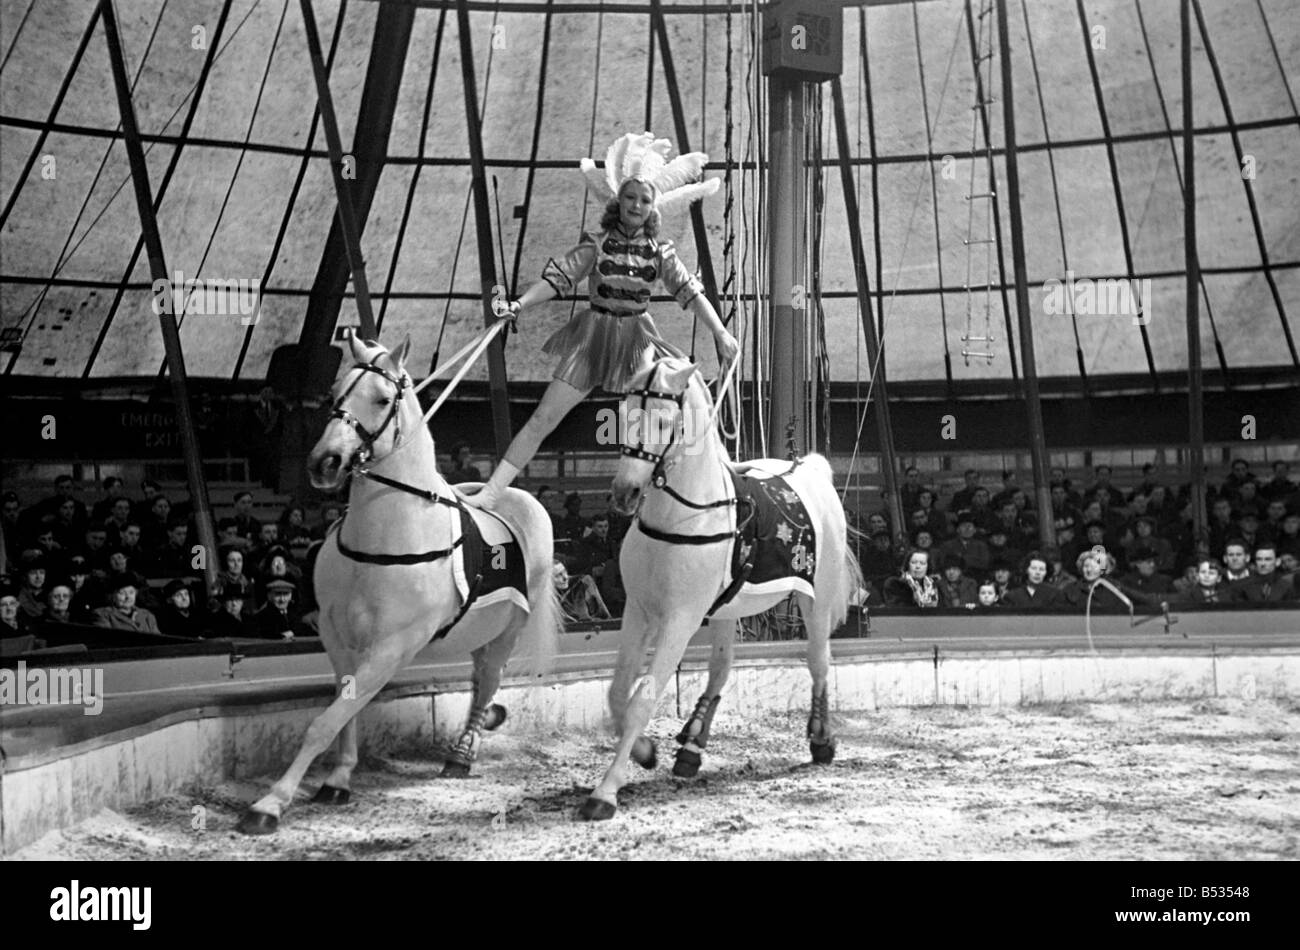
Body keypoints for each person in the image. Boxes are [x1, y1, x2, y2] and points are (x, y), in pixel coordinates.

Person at [467, 131, 739, 509]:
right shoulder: (595, 244)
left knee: (660, 413)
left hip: (638, 342)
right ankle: (490, 493)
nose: (637, 205)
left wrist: (721, 332)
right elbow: (558, 278)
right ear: (618, 201)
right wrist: (519, 304)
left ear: (653, 207)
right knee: (545, 416)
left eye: (645, 200)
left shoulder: (661, 252)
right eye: (630, 197)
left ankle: (692, 487)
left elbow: (692, 294)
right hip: (593, 336)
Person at [92, 575, 161, 633]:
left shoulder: (147, 615)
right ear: (113, 596)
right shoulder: (103, 614)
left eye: (131, 592)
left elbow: (159, 642)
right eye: (122, 593)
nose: (128, 597)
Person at [1230, 544, 1295, 603]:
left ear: (1277, 562)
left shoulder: (1286, 586)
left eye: (1267, 559)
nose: (1263, 564)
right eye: (1259, 559)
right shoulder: (1240, 585)